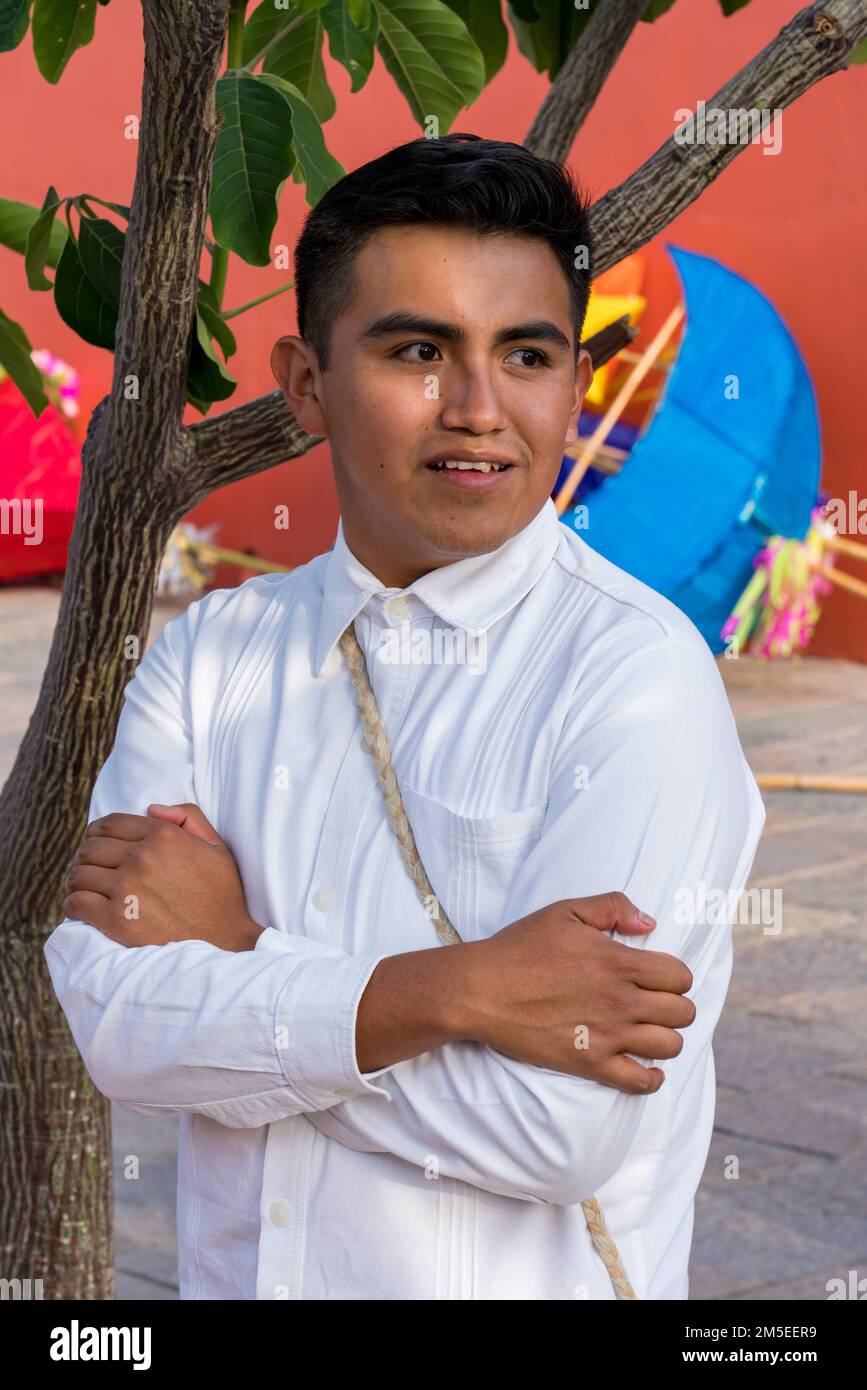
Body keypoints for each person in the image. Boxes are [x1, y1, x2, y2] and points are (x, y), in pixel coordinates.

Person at [44, 133, 766, 1301]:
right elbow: (118, 1033)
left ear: (571, 379)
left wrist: (236, 956)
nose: (480, 409)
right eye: (420, 349)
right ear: (304, 382)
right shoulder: (215, 654)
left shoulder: (634, 679)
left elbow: (557, 1126)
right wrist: (452, 995)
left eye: (525, 353)